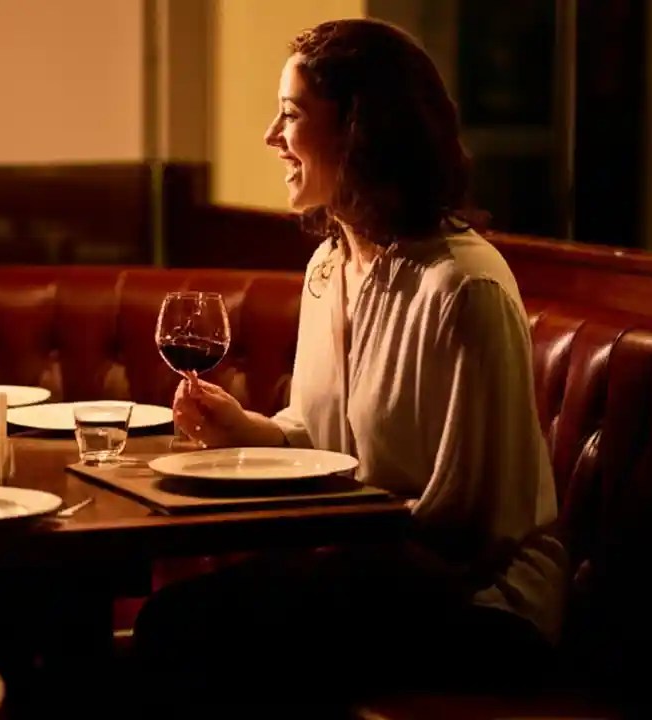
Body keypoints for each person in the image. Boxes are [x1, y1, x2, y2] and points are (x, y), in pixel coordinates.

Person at [133, 19, 566, 713]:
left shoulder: (464, 288)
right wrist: (245, 429)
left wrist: (321, 557)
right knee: (179, 623)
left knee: (197, 634)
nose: (272, 138)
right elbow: (320, 442)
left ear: (360, 130)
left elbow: (471, 530)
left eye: (292, 115)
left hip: (486, 607)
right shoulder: (329, 267)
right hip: (368, 574)